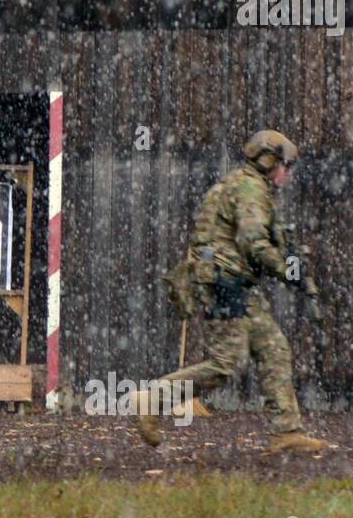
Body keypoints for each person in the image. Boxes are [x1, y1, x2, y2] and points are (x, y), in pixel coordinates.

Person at [136, 130, 328, 453]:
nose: (289, 173)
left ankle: (286, 432)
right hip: (226, 285)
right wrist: (288, 271)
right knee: (225, 364)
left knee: (274, 349)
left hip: (237, 285)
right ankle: (154, 399)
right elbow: (254, 243)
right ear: (269, 161)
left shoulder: (242, 185)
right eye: (286, 165)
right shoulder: (251, 190)